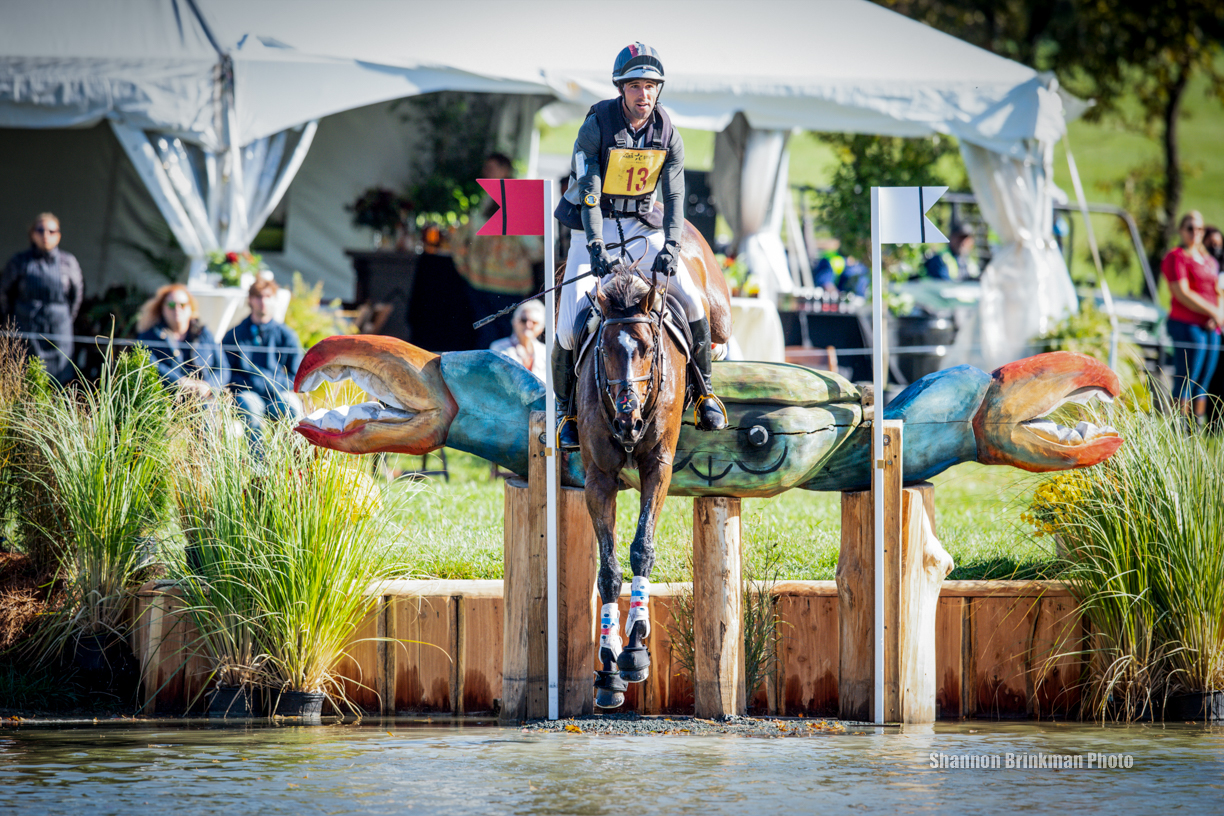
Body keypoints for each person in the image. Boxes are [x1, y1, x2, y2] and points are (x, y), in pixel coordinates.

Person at [552, 43, 726, 450]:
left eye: (650, 86)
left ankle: (704, 395)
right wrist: (595, 246)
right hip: (591, 225)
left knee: (693, 301)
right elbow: (590, 193)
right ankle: (569, 413)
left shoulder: (668, 132)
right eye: (635, 86)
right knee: (565, 326)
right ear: (620, 89)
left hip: (642, 223)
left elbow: (676, 198)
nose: (643, 95)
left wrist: (669, 245)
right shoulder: (596, 125)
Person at [452, 152, 544, 349]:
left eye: (491, 168)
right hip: (482, 282)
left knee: (507, 338)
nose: (486, 172)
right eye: (486, 168)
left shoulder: (517, 198)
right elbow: (464, 237)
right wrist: (464, 268)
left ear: (505, 170)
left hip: (509, 285)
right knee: (488, 335)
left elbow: (535, 248)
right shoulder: (487, 199)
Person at [0, 213, 83, 383]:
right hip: (26, 329)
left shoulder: (68, 262)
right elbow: (4, 293)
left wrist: (63, 318)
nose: (46, 235)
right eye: (40, 230)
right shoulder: (19, 262)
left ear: (58, 235)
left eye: (52, 231)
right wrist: (13, 318)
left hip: (59, 331)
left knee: (60, 381)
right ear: (32, 234)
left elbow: (77, 297)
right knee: (23, 377)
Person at [1161, 210, 1222, 426]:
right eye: (1190, 228)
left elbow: (1218, 290)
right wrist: (1212, 311)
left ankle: (1196, 426)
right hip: (1186, 324)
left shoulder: (1208, 260)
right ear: (1181, 230)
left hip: (1211, 327)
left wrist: (1218, 314)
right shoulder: (1176, 257)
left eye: (1199, 229)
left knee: (1203, 381)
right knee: (1186, 379)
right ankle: (1178, 427)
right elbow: (1182, 292)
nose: (1195, 233)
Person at [223, 277, 304, 439]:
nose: (263, 302)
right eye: (259, 296)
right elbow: (226, 372)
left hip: (278, 393)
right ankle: (258, 463)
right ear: (250, 300)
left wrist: (273, 384)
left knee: (294, 410)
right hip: (248, 392)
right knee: (251, 412)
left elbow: (297, 375)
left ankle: (291, 462)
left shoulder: (286, 335)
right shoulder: (235, 334)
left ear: (274, 300)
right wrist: (253, 384)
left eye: (268, 296)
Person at [135, 284, 223, 398]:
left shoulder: (203, 334)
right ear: (162, 309)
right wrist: (180, 382)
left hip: (206, 398)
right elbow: (150, 365)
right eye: (171, 305)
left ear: (190, 307)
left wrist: (209, 386)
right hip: (169, 398)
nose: (177, 309)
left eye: (182, 304)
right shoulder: (150, 335)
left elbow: (223, 368)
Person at [490, 299, 546, 381]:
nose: (528, 325)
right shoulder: (498, 348)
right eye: (523, 320)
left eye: (534, 322)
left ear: (541, 328)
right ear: (514, 322)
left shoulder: (546, 351)